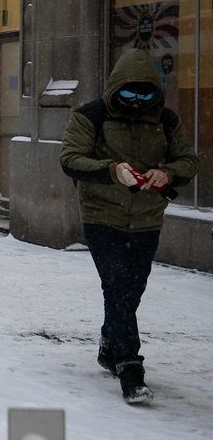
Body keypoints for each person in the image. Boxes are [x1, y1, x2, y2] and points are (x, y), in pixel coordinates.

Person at [59, 48, 198, 405]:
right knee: (118, 284)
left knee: (131, 289)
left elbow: (188, 159)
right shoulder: (91, 115)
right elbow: (70, 159)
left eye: (145, 94)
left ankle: (109, 343)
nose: (137, 101)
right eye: (129, 93)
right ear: (115, 88)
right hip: (101, 216)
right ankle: (130, 367)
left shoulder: (165, 120)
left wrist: (167, 173)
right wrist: (111, 170)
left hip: (147, 219)